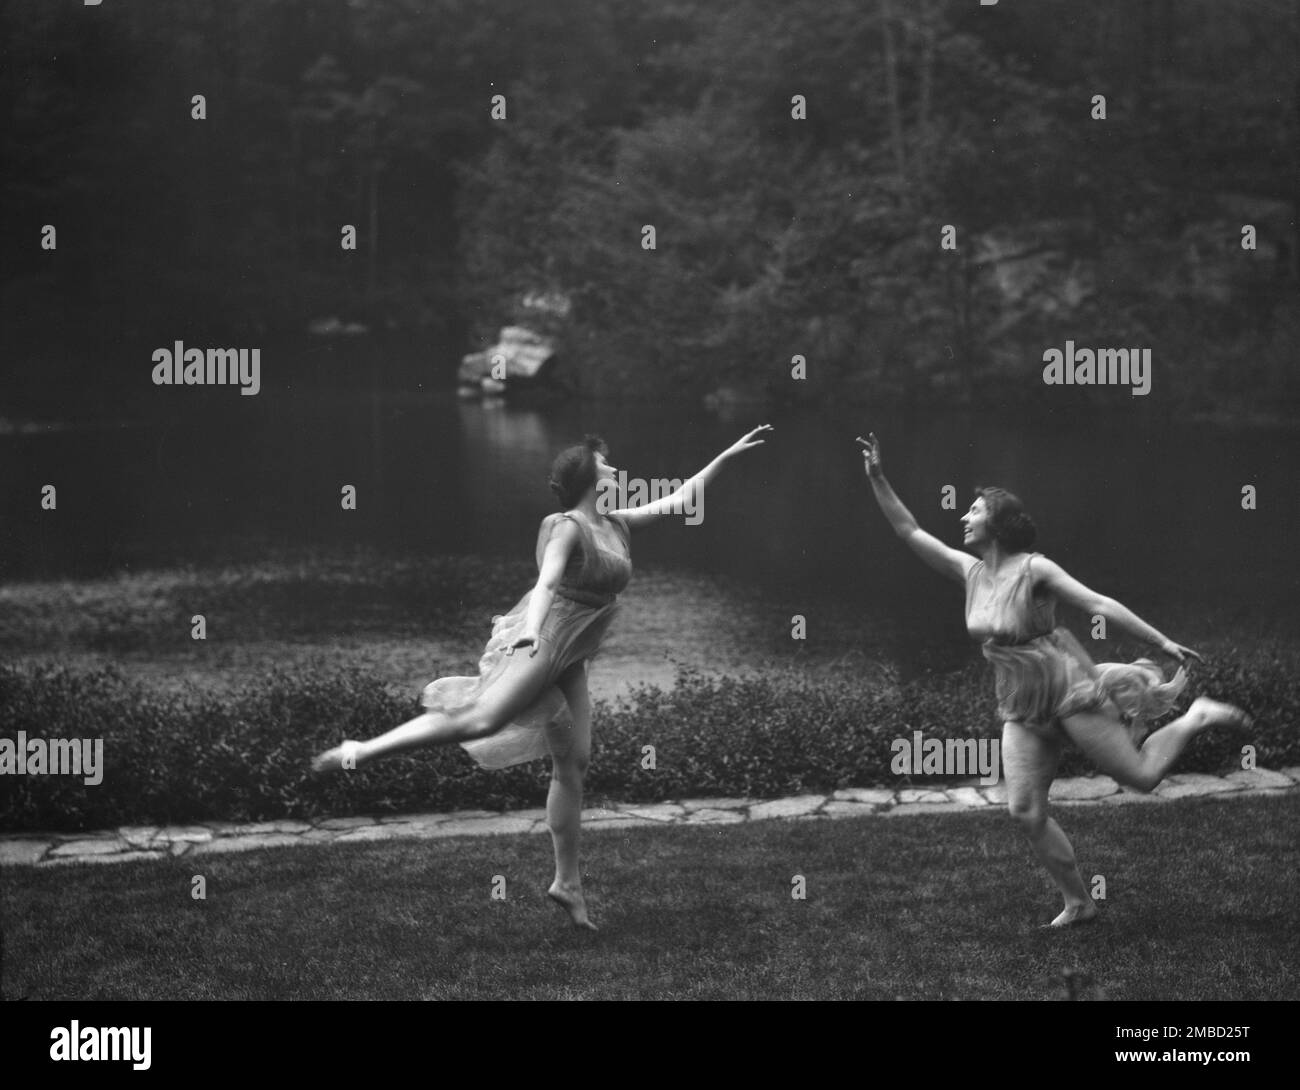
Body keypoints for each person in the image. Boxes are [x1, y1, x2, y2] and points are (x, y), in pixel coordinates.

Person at [312, 426, 772, 929]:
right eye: (605, 464)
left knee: (574, 762)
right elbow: (547, 580)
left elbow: (682, 498)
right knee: (479, 720)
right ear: (588, 476)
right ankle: (362, 750)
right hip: (544, 641)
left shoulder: (616, 524)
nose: (614, 470)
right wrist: (529, 631)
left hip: (574, 656)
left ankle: (567, 884)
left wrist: (725, 455)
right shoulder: (567, 525)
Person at [858, 432, 1251, 927]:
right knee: (1024, 811)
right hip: (1020, 702)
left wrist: (1162, 643)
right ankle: (1079, 902)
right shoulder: (971, 572)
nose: (963, 516)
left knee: (1142, 778)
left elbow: (1098, 604)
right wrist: (877, 476)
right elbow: (909, 531)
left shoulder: (1035, 570)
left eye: (974, 510)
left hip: (1068, 690)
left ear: (997, 524)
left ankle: (1197, 715)